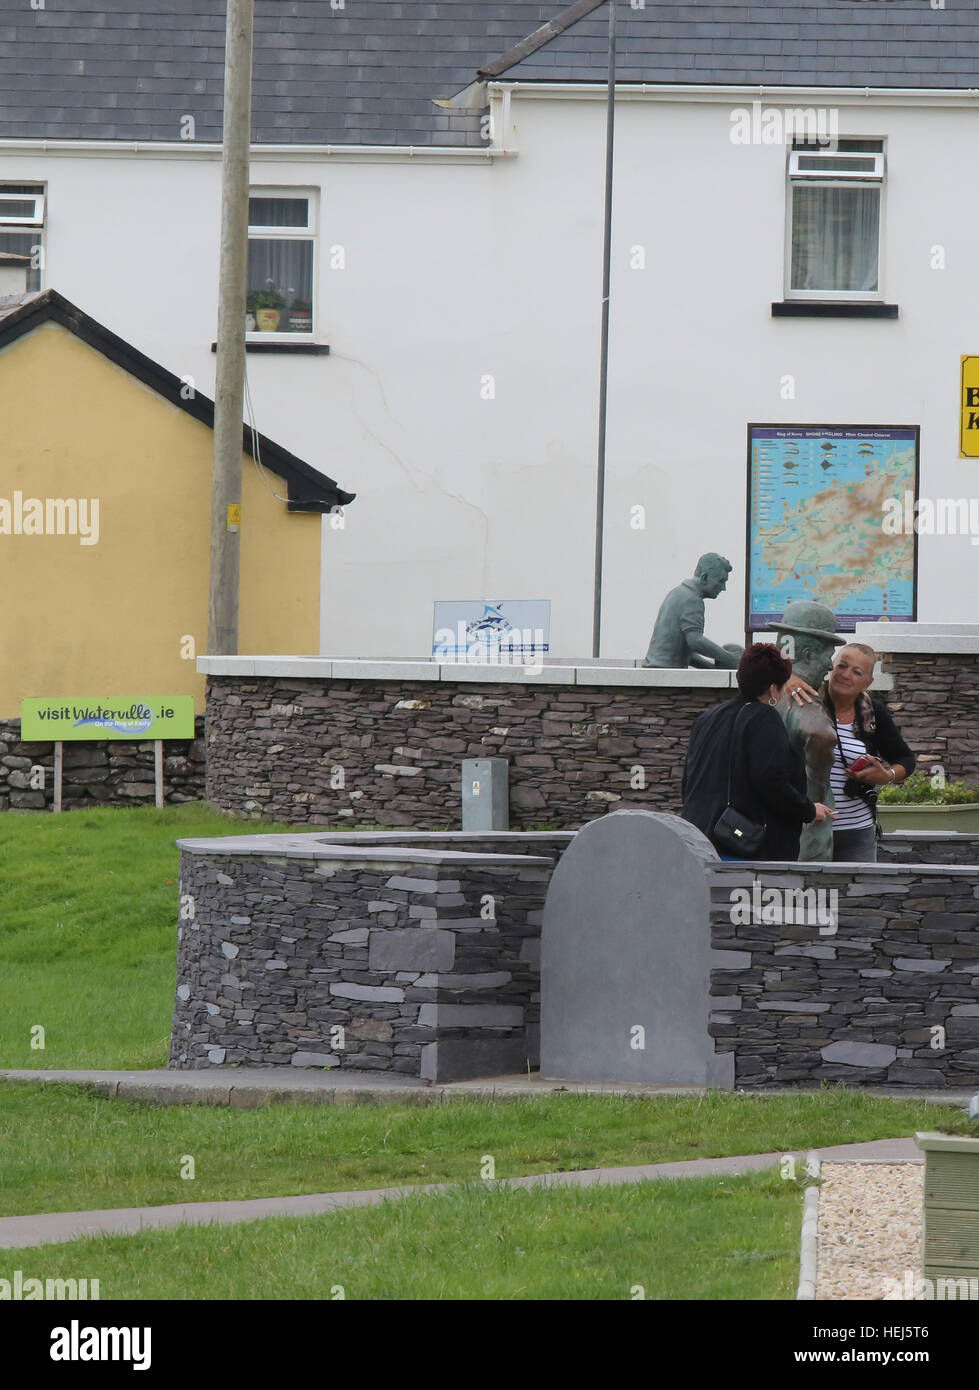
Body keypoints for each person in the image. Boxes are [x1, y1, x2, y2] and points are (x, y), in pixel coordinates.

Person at [682, 643, 834, 861]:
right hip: (740, 846)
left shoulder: (706, 719)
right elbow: (771, 781)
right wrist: (809, 810)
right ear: (773, 689)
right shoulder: (763, 717)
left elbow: (689, 780)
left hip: (699, 841)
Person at [821, 642, 915, 862]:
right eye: (842, 666)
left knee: (859, 895)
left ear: (868, 682)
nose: (845, 675)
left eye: (857, 672)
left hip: (857, 832)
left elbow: (906, 759)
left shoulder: (873, 713)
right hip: (810, 828)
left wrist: (886, 775)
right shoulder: (808, 702)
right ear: (832, 667)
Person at [642, 553, 743, 669]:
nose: (724, 588)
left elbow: (686, 653)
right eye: (721, 581)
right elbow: (695, 641)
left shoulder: (678, 593)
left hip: (661, 671)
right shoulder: (692, 599)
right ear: (704, 578)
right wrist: (732, 659)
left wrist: (713, 669)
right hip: (665, 677)